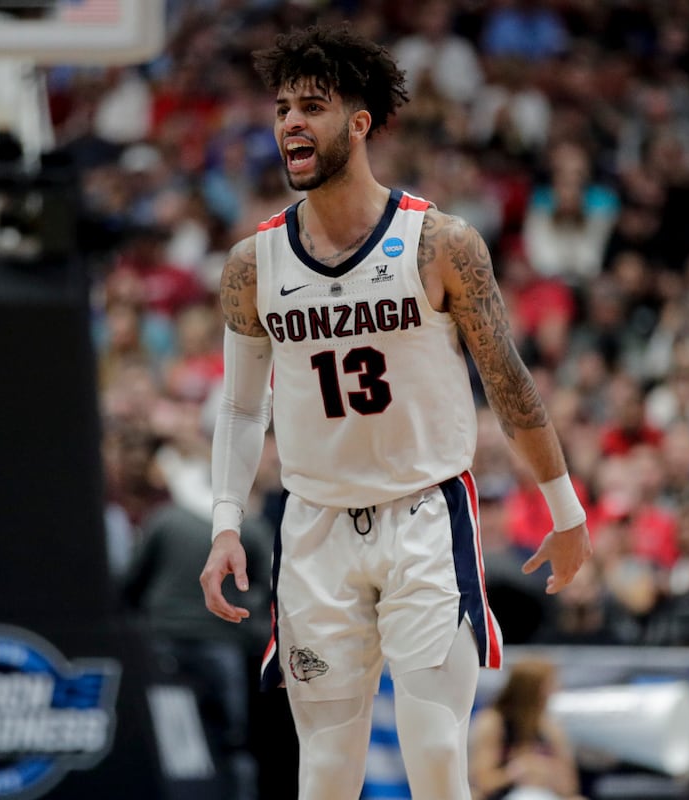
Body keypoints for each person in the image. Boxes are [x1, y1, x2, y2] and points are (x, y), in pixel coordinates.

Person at [198, 23, 592, 800]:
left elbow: (509, 385)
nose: (290, 123)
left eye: (311, 105)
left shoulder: (439, 243)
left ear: (359, 122)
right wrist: (222, 525)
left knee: (439, 762)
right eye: (281, 108)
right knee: (327, 775)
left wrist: (566, 508)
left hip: (426, 514)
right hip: (314, 525)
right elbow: (243, 412)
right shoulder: (253, 264)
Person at [468, 658, 584, 800]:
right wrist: (515, 772)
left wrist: (547, 771)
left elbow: (570, 787)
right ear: (531, 689)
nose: (555, 691)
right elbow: (482, 782)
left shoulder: (550, 727)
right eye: (549, 686)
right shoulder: (493, 722)